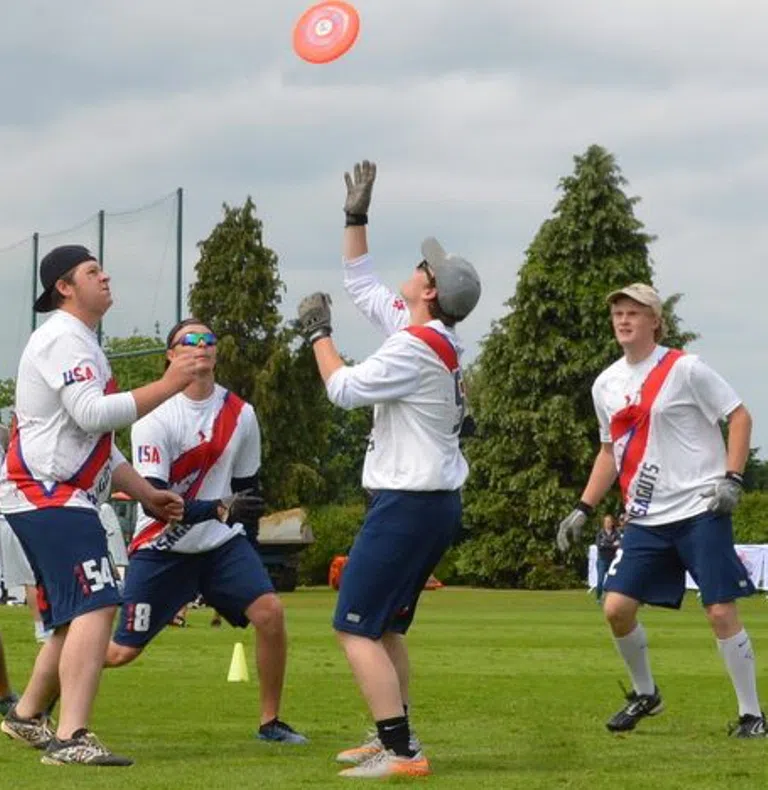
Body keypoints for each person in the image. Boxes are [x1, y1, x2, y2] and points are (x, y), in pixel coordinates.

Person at [296, 159, 481, 778]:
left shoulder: (413, 345)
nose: (418, 265)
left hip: (409, 501)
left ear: (429, 291)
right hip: (426, 501)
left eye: (425, 267)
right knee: (385, 629)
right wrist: (356, 217)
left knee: (352, 627)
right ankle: (394, 736)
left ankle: (402, 752)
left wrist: (318, 335)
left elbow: (344, 389)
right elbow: (360, 281)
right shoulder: (430, 335)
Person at [0, 244, 199, 766]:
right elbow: (92, 416)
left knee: (74, 618)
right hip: (47, 491)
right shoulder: (64, 338)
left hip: (51, 492)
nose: (106, 276)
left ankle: (27, 716)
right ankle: (72, 738)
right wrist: (171, 384)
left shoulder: (80, 340)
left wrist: (144, 491)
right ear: (65, 287)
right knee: (98, 603)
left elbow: (98, 444)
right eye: (93, 271)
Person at [556, 283, 764, 738]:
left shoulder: (685, 368)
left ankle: (752, 715)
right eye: (617, 313)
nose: (624, 320)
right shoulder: (605, 384)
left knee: (719, 611)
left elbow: (740, 415)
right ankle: (646, 694)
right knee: (615, 608)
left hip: (700, 509)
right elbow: (609, 451)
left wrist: (732, 478)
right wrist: (583, 508)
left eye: (634, 312)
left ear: (655, 320)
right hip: (646, 518)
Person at [105, 318, 307, 745]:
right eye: (189, 341)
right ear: (170, 354)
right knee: (121, 652)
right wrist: (219, 509)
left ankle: (271, 723)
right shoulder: (153, 416)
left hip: (220, 547)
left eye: (208, 340)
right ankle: (43, 699)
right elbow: (157, 503)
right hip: (160, 549)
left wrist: (246, 546)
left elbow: (246, 494)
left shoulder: (241, 414)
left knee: (270, 614)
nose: (201, 347)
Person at [594, 514, 622, 603]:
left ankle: (610, 597)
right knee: (600, 581)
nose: (607, 523)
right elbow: (600, 546)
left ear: (612, 523)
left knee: (613, 581)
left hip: (612, 560)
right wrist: (612, 545)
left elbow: (619, 545)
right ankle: (598, 598)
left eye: (609, 522)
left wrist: (606, 544)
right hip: (602, 559)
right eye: (606, 522)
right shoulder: (600, 533)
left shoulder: (616, 533)